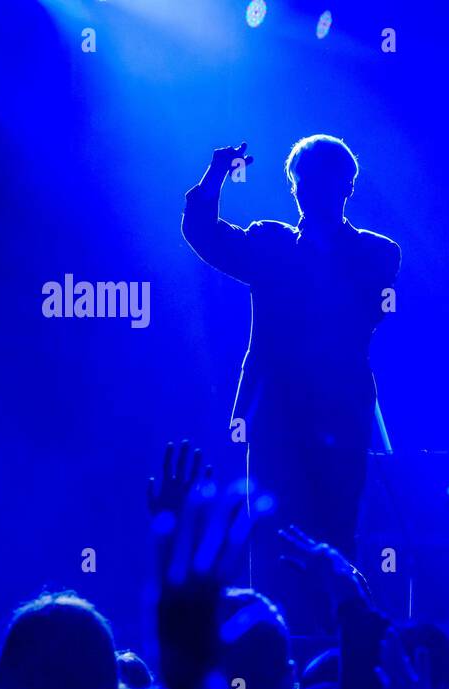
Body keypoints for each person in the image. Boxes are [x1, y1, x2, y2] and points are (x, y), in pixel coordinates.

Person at [181, 134, 401, 604]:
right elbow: (205, 235)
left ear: (348, 186)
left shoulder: (377, 253)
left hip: (341, 417)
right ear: (294, 188)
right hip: (274, 418)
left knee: (337, 534)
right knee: (272, 534)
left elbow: (362, 309)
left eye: (324, 179)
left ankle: (334, 652)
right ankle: (277, 650)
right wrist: (217, 172)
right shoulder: (270, 243)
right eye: (303, 180)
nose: (310, 190)